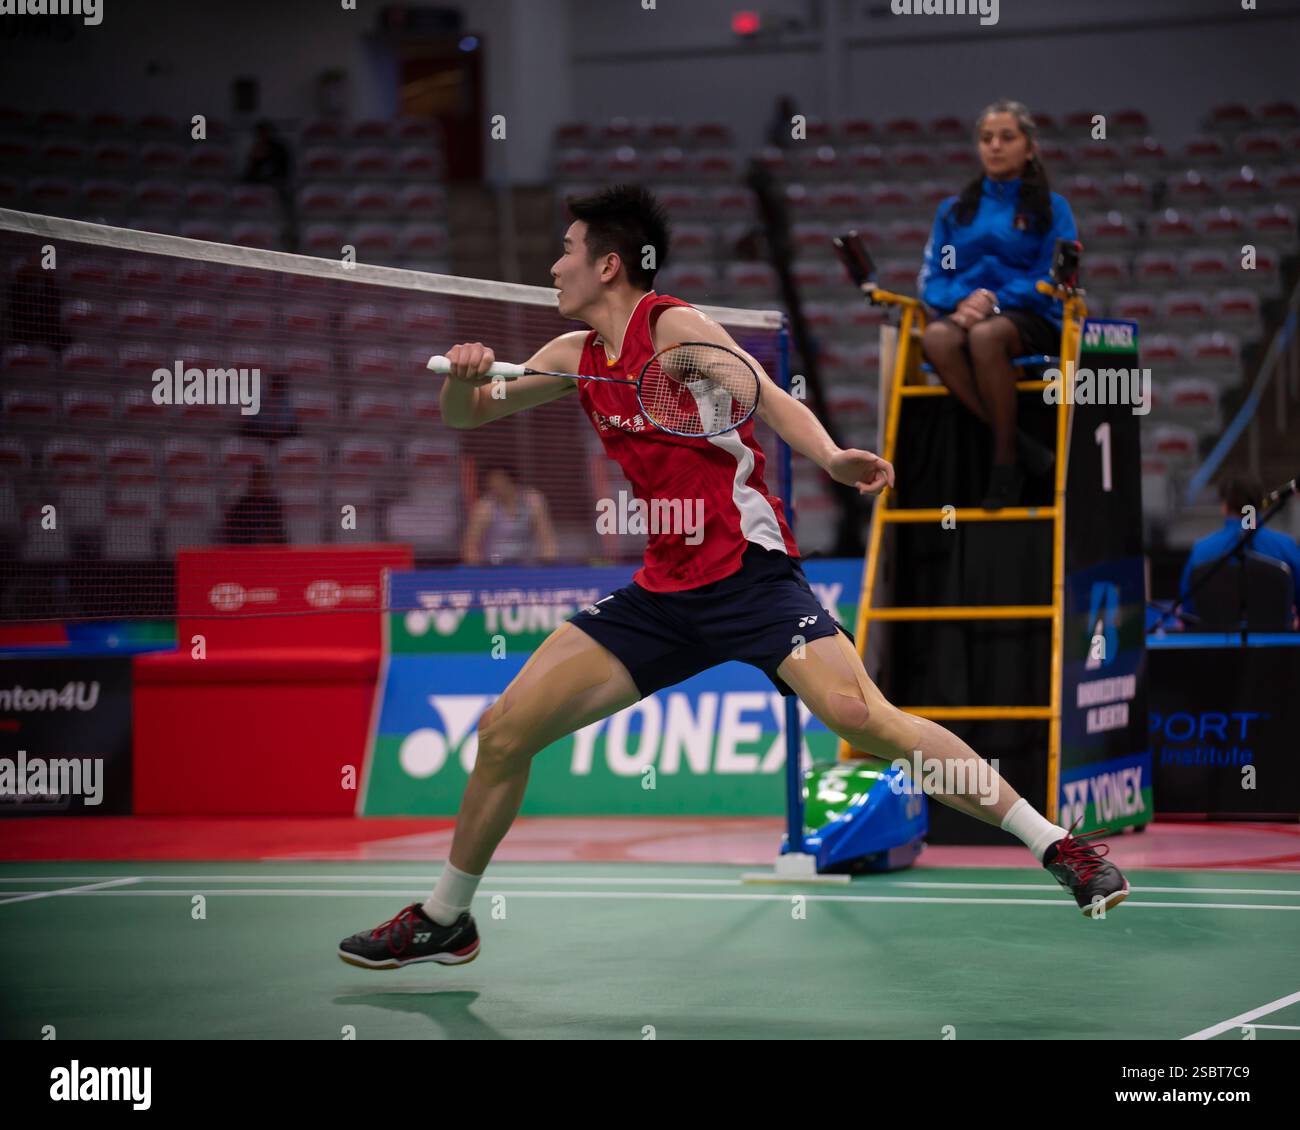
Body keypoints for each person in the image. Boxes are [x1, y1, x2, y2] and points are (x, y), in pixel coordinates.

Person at [338, 184, 1127, 970]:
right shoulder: (573, 358)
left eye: (567, 251)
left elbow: (768, 397)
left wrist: (831, 458)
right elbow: (468, 416)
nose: (553, 266)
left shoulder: (674, 328)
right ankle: (447, 916)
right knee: (504, 731)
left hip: (748, 573)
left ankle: (1059, 847)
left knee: (862, 717)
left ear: (609, 265)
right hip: (661, 592)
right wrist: (464, 376)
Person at [918, 99, 1076, 509]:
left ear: (1030, 146)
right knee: (935, 337)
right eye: (987, 138)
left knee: (987, 336)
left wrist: (995, 300)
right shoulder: (953, 210)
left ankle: (1004, 462)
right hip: (967, 313)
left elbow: (1056, 277)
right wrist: (964, 301)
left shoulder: (1052, 208)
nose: (995, 146)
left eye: (1007, 137)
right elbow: (933, 280)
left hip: (1032, 317)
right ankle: (1023, 446)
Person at [1179, 474, 1300, 627]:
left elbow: (1189, 612)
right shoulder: (1286, 547)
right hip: (1279, 648)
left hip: (1214, 648)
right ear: (1259, 503)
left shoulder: (1201, 550)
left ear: (1224, 506)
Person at [461, 465, 558, 566]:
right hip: (493, 568)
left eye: (498, 481)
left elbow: (547, 540)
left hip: (525, 567)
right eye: (491, 483)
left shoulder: (533, 502)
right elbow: (470, 545)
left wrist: (548, 565)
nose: (493, 486)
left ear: (510, 481)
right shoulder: (484, 507)